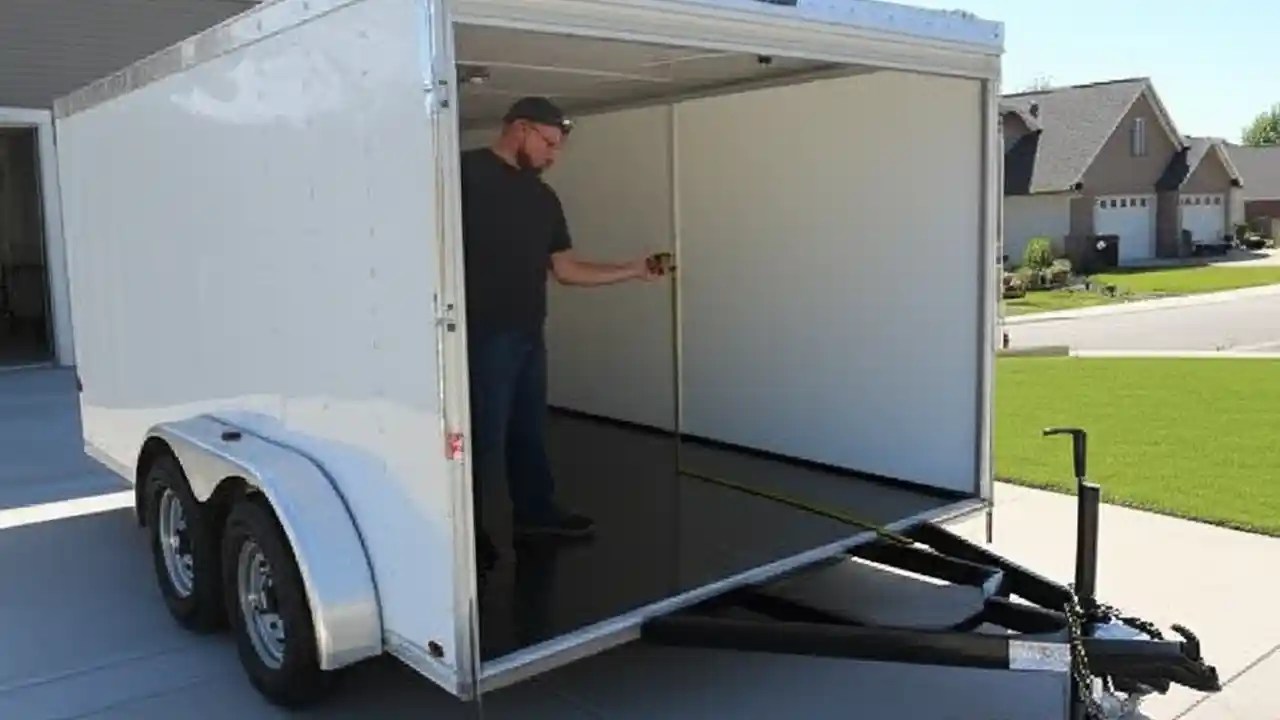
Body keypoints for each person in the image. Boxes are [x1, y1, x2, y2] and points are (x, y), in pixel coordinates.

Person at [459, 97, 665, 567]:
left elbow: (567, 270)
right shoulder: (462, 175)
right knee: (481, 437)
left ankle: (536, 513)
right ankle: (465, 535)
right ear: (521, 128)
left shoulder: (542, 198)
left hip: (528, 333)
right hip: (479, 333)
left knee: (528, 429)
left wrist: (633, 270)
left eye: (558, 148)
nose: (553, 156)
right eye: (549, 144)